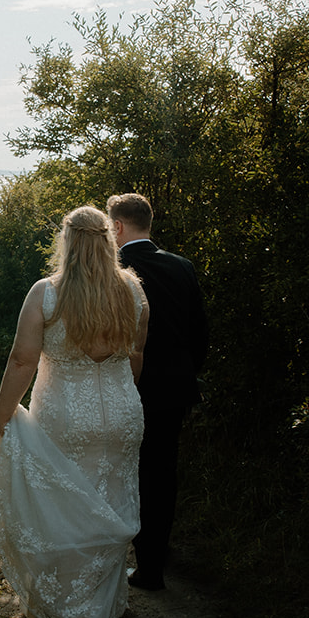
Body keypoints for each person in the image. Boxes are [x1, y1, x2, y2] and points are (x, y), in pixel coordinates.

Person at [0, 205, 149, 618]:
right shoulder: (133, 292)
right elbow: (135, 358)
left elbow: (22, 361)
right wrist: (117, 399)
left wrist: (2, 414)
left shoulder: (47, 293)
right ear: (109, 240)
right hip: (124, 413)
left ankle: (56, 614)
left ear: (67, 241)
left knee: (62, 510)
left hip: (65, 416)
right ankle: (102, 608)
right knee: (108, 504)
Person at [107, 192, 208, 591]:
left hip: (124, 387)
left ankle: (121, 559)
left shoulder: (115, 269)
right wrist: (184, 374)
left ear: (117, 226)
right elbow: (200, 333)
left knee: (122, 472)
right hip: (174, 388)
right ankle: (154, 563)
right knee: (162, 474)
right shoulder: (182, 267)